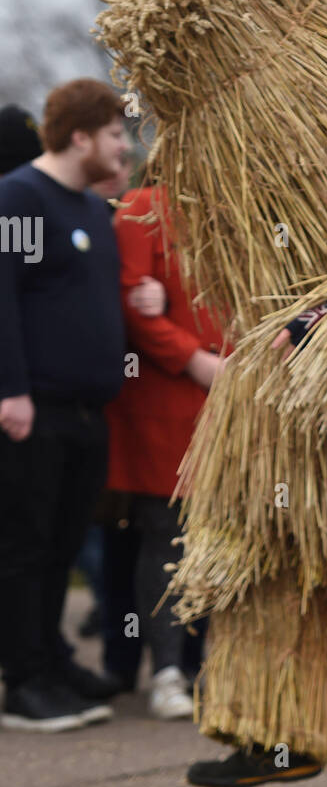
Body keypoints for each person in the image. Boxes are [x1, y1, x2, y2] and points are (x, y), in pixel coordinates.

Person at [0, 79, 128, 730]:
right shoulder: (20, 197)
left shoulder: (88, 208)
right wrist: (10, 388)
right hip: (36, 409)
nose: (124, 145)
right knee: (26, 545)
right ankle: (23, 681)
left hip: (87, 413)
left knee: (62, 545)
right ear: (80, 137)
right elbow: (4, 298)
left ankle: (50, 656)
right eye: (114, 134)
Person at [105, 181, 228, 718]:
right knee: (165, 537)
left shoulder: (234, 205)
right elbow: (134, 303)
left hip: (229, 402)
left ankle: (207, 665)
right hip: (169, 405)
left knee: (219, 540)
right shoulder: (142, 208)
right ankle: (166, 671)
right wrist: (194, 360)